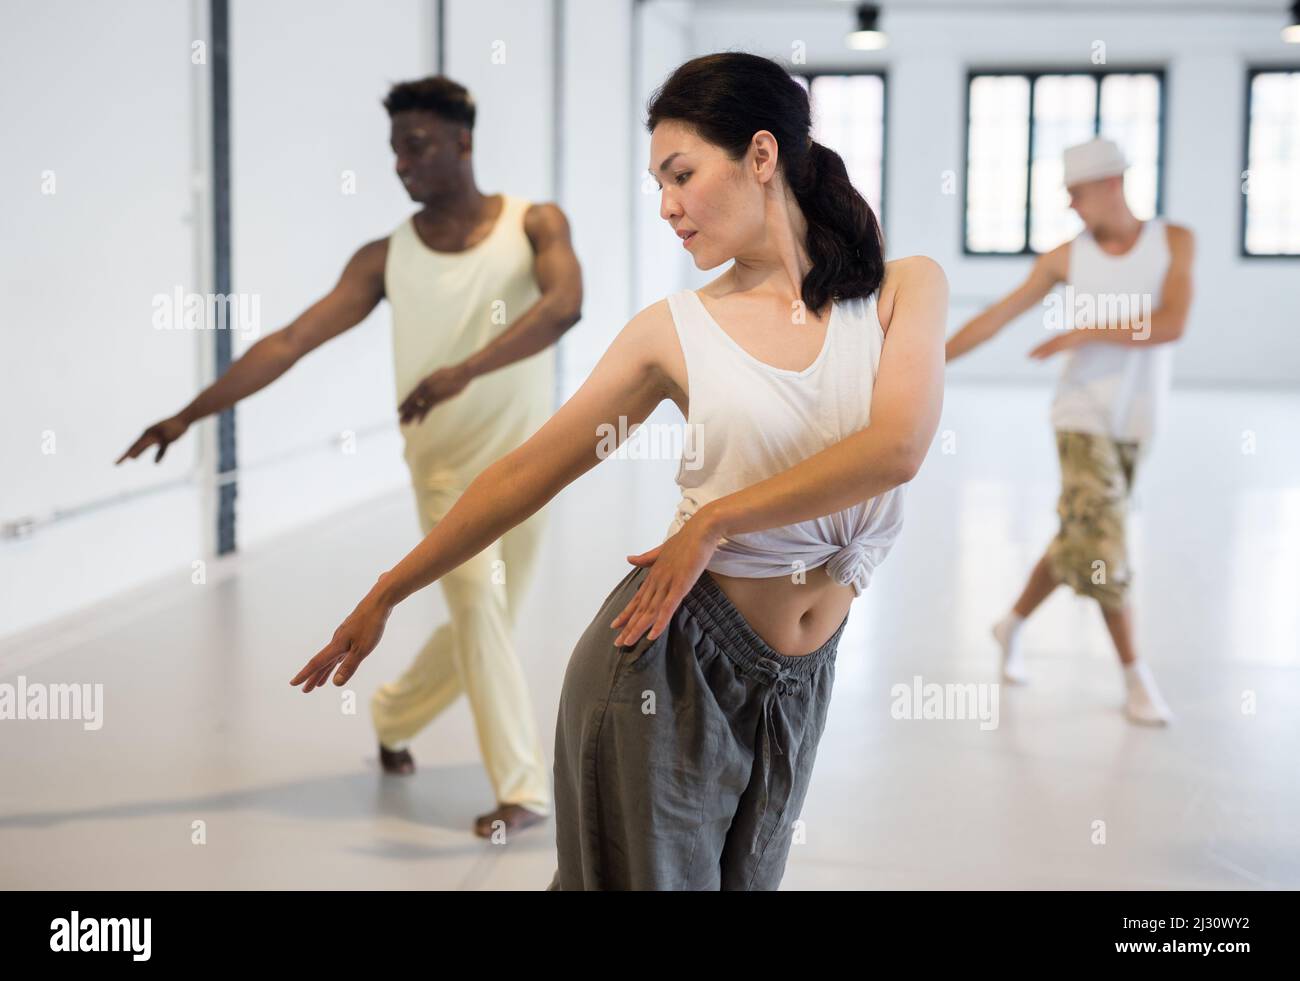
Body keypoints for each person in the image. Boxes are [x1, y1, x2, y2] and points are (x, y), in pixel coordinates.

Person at [290, 52, 946, 890]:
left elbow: (897, 447)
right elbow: (526, 472)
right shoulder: (673, 330)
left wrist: (712, 519)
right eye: (658, 185)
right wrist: (389, 587)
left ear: (760, 154)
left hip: (800, 681)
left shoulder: (900, 290)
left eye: (682, 174)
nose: (668, 207)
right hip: (665, 674)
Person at [118, 76, 583, 836]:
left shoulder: (534, 223)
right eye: (396, 150)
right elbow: (291, 341)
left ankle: (392, 712)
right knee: (476, 605)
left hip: (531, 463)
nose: (402, 164)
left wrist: (464, 369)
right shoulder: (386, 257)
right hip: (443, 469)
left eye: (418, 146)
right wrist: (186, 415)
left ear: (463, 143)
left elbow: (565, 305)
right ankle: (522, 792)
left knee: (487, 617)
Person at [945, 136, 1194, 726]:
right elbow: (998, 316)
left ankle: (1010, 623)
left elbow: (1171, 323)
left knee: (1080, 532)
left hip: (1135, 419)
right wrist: (924, 363)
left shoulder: (1174, 241)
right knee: (1105, 542)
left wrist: (1083, 334)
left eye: (1077, 194)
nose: (1073, 207)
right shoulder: (1064, 257)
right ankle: (1136, 676)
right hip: (1080, 416)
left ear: (1113, 184)